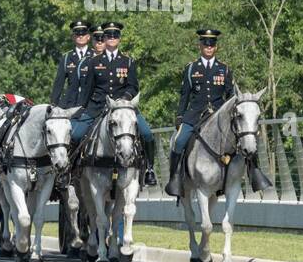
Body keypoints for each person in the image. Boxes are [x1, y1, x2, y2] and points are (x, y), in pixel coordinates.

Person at [165, 27, 272, 196]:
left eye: (212, 44)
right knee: (179, 142)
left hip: (219, 114)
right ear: (200, 45)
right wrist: (180, 115)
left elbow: (231, 96)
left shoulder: (225, 69)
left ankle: (255, 172)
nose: (209, 47)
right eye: (205, 44)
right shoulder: (191, 68)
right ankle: (175, 179)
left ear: (216, 47)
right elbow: (184, 95)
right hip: (195, 113)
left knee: (246, 139)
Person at [71, 20, 157, 186]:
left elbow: (133, 86)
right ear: (104, 37)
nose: (111, 38)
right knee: (75, 135)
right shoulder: (93, 62)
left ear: (119, 38)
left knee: (147, 134)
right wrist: (81, 109)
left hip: (124, 107)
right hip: (97, 107)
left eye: (115, 35)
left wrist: (125, 97)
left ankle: (149, 170)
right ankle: (73, 170)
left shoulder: (128, 61)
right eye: (108, 35)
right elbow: (88, 89)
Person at [51, 18, 93, 109]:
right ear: (73, 37)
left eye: (83, 33)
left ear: (88, 37)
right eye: (77, 34)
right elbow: (59, 83)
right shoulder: (66, 57)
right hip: (69, 103)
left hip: (89, 103)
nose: (80, 36)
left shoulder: (95, 56)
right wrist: (53, 104)